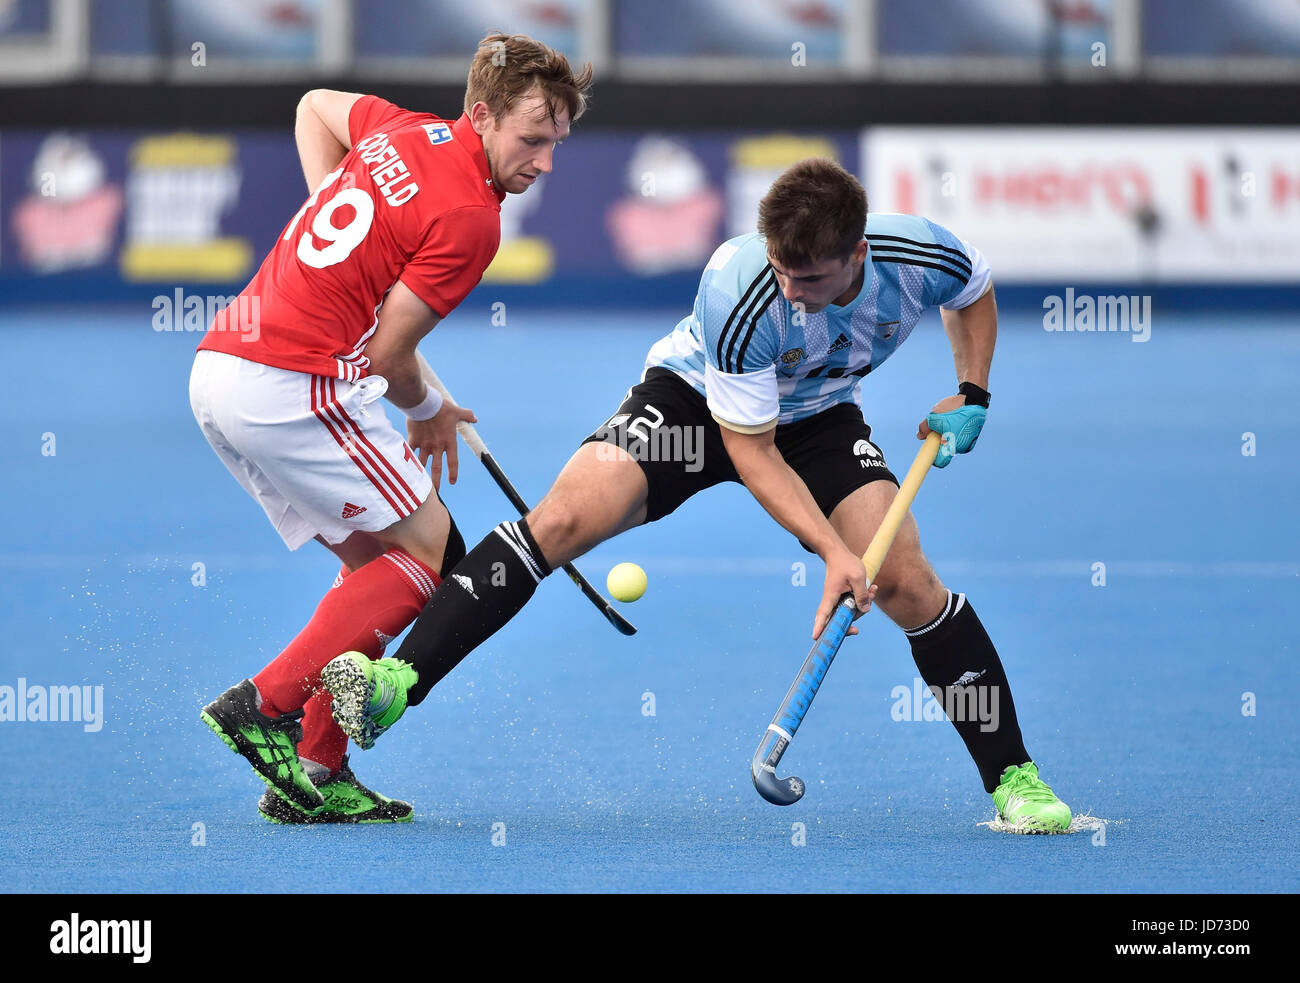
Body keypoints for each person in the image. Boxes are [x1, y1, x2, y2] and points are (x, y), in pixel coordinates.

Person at [323, 157, 1073, 832]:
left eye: (809, 280)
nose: (790, 290)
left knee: (908, 581)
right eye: (780, 269)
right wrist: (834, 552)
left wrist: (974, 391)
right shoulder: (742, 288)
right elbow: (751, 449)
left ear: (856, 255)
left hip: (818, 420)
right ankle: (399, 681)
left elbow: (973, 290)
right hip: (693, 405)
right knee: (563, 518)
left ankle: (1014, 776)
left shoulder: (917, 253)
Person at [192, 32, 592, 823]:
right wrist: (428, 410)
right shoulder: (473, 218)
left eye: (558, 144)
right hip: (290, 381)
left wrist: (333, 205)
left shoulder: (400, 127)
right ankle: (262, 705)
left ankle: (316, 768)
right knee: (435, 555)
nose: (546, 162)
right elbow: (387, 354)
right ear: (483, 115)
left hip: (220, 370)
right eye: (532, 139)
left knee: (378, 561)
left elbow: (314, 108)